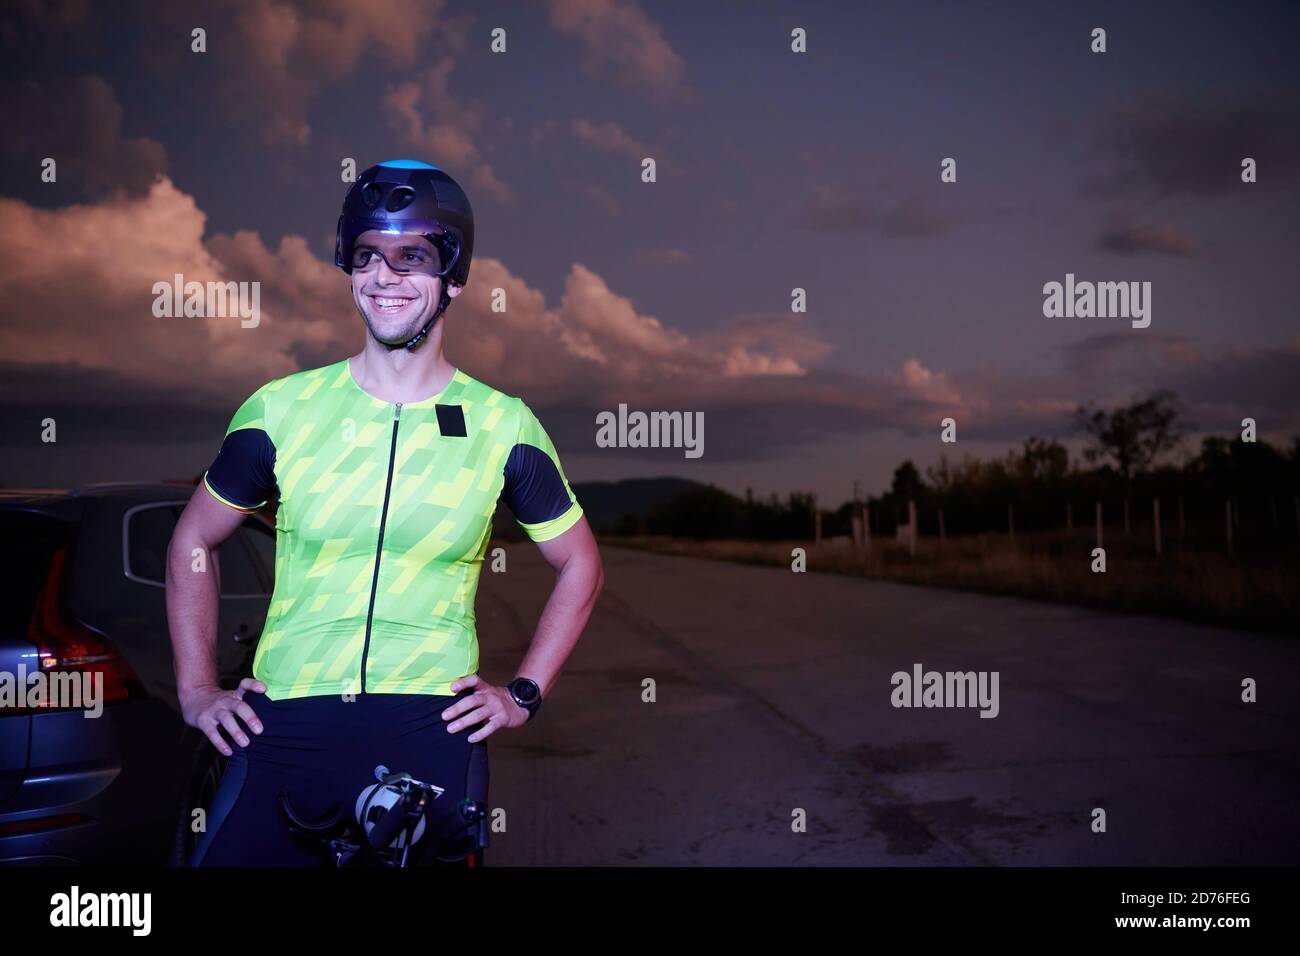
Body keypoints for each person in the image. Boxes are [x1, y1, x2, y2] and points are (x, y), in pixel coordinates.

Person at [165, 160, 604, 865]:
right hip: (283, 719)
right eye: (367, 255)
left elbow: (579, 562)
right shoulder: (280, 408)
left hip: (429, 726)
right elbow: (193, 539)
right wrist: (194, 689)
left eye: (412, 258)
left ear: (453, 277)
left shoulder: (503, 425)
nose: (383, 277)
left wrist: (523, 694)